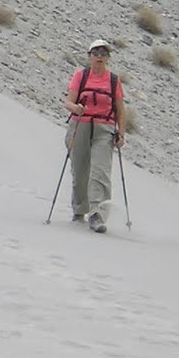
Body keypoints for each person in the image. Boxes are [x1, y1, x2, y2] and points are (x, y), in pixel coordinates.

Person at [63, 38, 125, 233]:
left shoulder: (114, 80)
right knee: (80, 169)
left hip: (104, 129)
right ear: (89, 56)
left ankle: (96, 213)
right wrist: (77, 108)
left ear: (108, 58)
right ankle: (79, 210)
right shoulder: (80, 76)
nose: (99, 57)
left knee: (100, 170)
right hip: (80, 125)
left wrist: (121, 133)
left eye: (103, 53)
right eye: (95, 53)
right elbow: (68, 103)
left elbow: (120, 110)